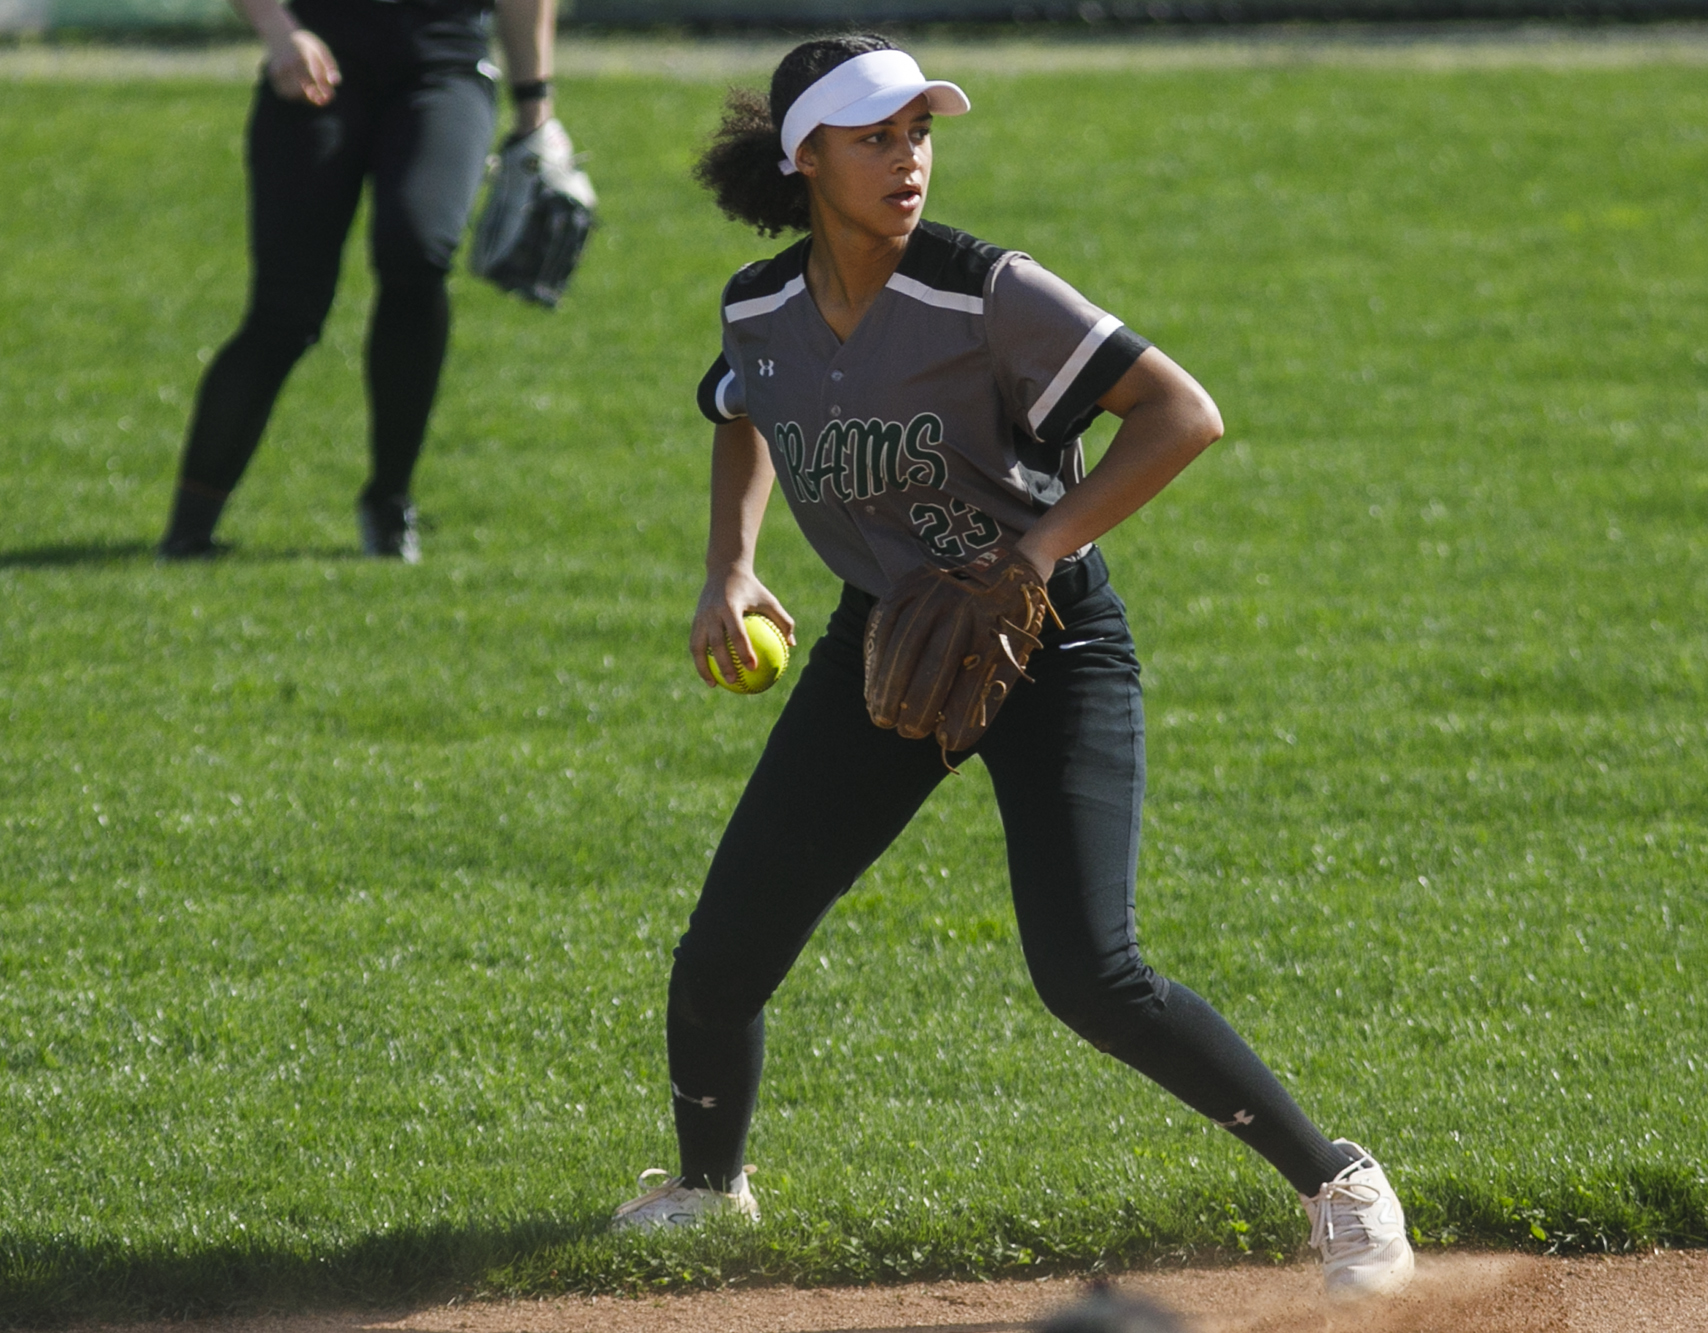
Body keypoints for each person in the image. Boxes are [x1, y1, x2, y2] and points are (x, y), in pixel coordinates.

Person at [610, 36, 1416, 1299]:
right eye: (875, 137)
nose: (908, 159)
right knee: (721, 958)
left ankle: (1341, 1184)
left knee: (1090, 975)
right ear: (804, 157)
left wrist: (1032, 555)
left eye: (919, 133)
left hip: (1053, 644)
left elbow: (1179, 414)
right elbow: (742, 405)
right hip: (885, 643)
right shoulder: (759, 304)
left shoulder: (984, 290)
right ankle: (710, 1189)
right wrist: (730, 564)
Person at [156, 0, 559, 562]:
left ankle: (389, 503)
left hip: (443, 61)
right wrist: (279, 31)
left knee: (417, 254)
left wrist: (535, 107)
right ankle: (188, 530)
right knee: (285, 312)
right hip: (320, 53)